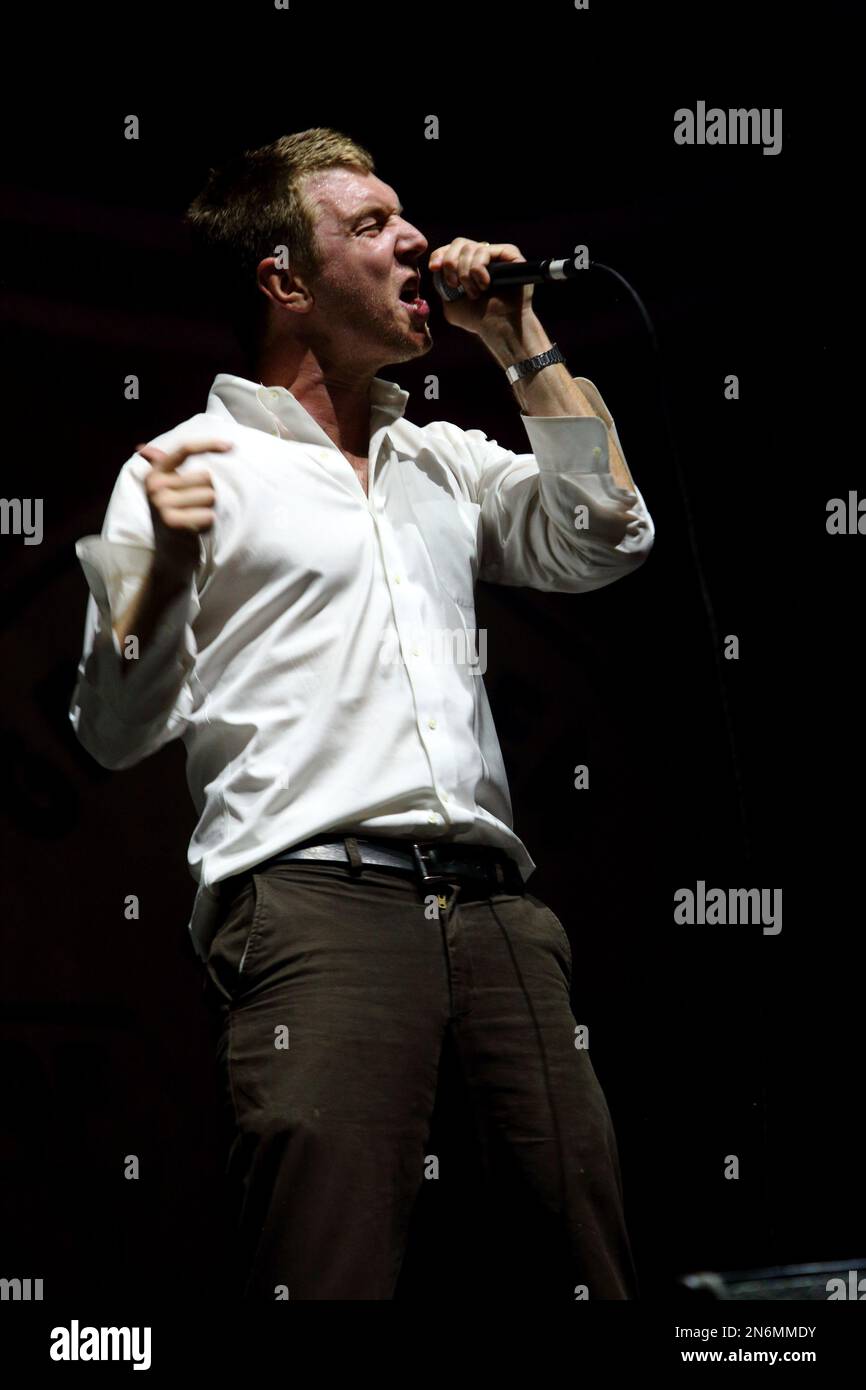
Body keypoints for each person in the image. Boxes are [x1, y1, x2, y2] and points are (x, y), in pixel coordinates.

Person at [69, 127, 655, 1301]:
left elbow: (607, 533)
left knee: (582, 1259)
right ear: (284, 280)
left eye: (406, 218)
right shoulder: (190, 465)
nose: (416, 242)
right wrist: (160, 579)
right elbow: (112, 726)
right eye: (372, 224)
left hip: (499, 916)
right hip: (311, 909)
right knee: (327, 1266)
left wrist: (517, 337)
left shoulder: (435, 455)